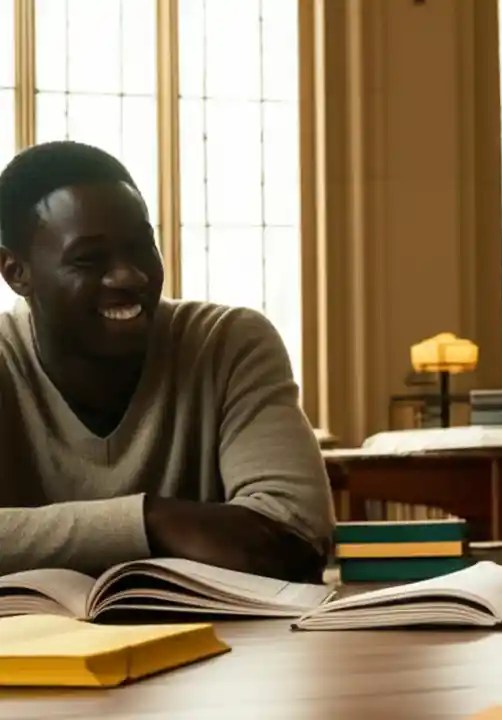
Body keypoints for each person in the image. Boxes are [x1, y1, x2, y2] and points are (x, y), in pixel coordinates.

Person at [0, 141, 334, 582]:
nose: (129, 276)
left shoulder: (229, 343)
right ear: (16, 272)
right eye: (89, 259)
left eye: (141, 247)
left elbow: (297, 535)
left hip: (227, 646)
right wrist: (152, 520)